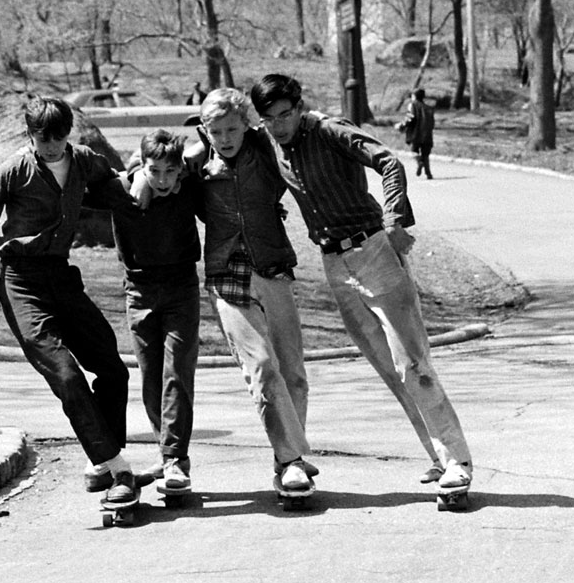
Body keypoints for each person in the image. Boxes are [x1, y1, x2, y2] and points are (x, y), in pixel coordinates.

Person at [249, 73, 474, 495]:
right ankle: (437, 457)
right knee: (389, 370)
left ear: (299, 107)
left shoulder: (329, 129)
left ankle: (457, 461)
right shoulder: (272, 145)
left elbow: (388, 160)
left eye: (285, 114)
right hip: (334, 262)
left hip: (374, 250)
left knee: (413, 364)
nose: (279, 125)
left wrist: (394, 219)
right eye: (269, 120)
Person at [0, 95, 146, 508]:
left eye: (58, 138)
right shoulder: (14, 170)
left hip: (62, 277)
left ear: (68, 134)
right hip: (22, 282)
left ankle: (103, 462)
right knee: (66, 374)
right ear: (30, 136)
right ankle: (117, 468)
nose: (51, 147)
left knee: (113, 371)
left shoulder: (82, 159)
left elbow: (118, 177)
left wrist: (141, 175)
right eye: (42, 139)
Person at [184, 87, 319, 497]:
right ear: (204, 130)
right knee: (261, 367)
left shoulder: (265, 148)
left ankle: (284, 461)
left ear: (247, 124)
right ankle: (294, 461)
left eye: (231, 128)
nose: (224, 138)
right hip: (227, 275)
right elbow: (152, 170)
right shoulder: (195, 163)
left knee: (293, 373)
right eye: (215, 130)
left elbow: (301, 134)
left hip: (272, 266)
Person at [115, 130, 202, 494]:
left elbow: (208, 145)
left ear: (180, 168)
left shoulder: (189, 185)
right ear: (142, 164)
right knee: (151, 377)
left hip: (181, 288)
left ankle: (172, 458)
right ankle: (171, 456)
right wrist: (135, 175)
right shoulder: (122, 187)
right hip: (139, 291)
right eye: (155, 171)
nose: (163, 180)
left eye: (171, 170)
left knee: (176, 372)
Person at [395, 88, 435, 179]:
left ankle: (419, 162)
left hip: (416, 134)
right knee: (426, 154)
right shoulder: (429, 109)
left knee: (414, 151)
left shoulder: (412, 105)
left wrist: (401, 125)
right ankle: (428, 173)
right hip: (427, 135)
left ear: (414, 96)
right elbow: (432, 123)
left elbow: (410, 118)